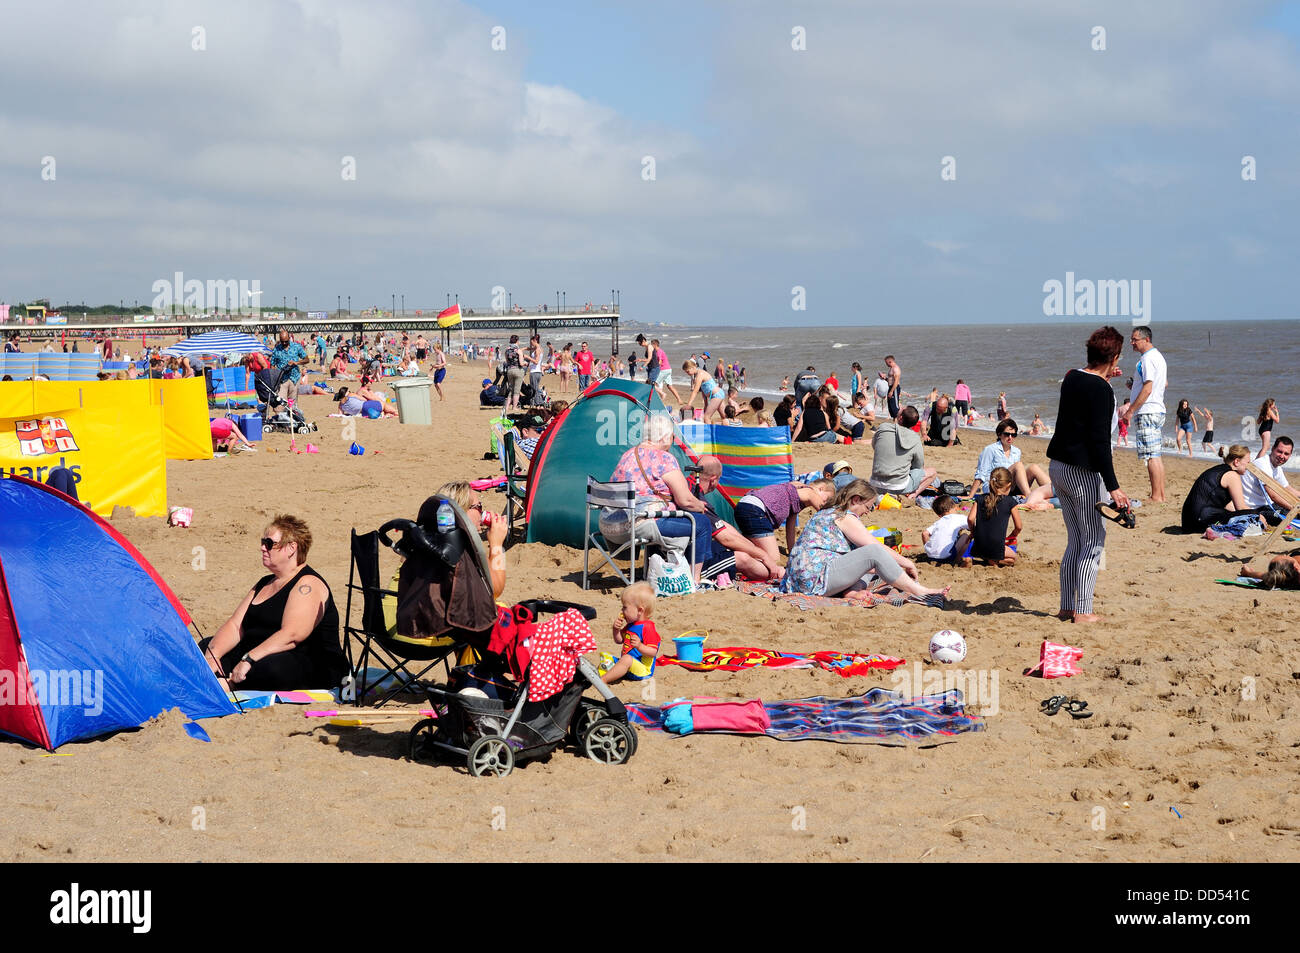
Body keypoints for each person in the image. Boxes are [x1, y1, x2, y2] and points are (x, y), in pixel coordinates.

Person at [200, 516, 348, 691]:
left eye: (270, 543)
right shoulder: (265, 582)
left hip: (306, 662)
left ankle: (230, 684)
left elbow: (292, 636)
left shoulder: (308, 584)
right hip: (261, 653)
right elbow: (235, 625)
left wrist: (248, 659)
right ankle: (221, 676)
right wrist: (212, 657)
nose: (263, 547)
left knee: (272, 668)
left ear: (291, 548)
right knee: (207, 646)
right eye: (263, 542)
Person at [1046, 326, 1131, 623]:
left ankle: (1067, 607)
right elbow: (1099, 443)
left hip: (1057, 467)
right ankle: (1083, 611)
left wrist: (1106, 374)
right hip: (1082, 472)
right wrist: (1114, 487)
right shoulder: (1102, 390)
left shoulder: (1071, 377)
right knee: (1093, 540)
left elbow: (1085, 400)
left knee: (1075, 539)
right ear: (1115, 357)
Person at [780, 479, 949, 603]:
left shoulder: (831, 512)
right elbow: (874, 547)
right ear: (855, 499)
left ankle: (851, 591)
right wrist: (907, 563)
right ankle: (919, 591)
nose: (868, 513)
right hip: (814, 578)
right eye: (868, 507)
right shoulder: (843, 516)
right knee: (874, 553)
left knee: (877, 566)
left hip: (805, 576)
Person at [733, 479, 836, 573]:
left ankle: (739, 560)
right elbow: (824, 511)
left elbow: (790, 529)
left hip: (744, 505)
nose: (825, 502)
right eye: (826, 499)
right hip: (756, 510)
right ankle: (741, 564)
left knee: (753, 549)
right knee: (774, 560)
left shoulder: (795, 493)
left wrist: (792, 552)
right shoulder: (809, 491)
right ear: (820, 489)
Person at [1119, 325, 1168, 502]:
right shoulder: (1158, 358)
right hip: (1156, 409)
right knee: (1155, 454)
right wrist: (1135, 387)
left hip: (1148, 411)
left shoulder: (1147, 359)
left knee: (1150, 455)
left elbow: (1148, 388)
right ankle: (1160, 494)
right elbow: (1163, 384)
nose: (1131, 342)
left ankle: (1156, 496)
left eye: (1134, 339)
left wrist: (1130, 411)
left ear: (1146, 339)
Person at [436, 480, 509, 598]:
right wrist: (496, 544)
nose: (482, 512)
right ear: (463, 509)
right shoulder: (463, 543)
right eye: (479, 507)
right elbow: (495, 589)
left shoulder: (426, 538)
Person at [1181, 445, 1270, 533]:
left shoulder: (1219, 469)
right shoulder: (1232, 475)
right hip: (1200, 522)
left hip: (1188, 523)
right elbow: (1241, 508)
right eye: (1248, 462)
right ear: (1237, 461)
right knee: (1253, 516)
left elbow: (1229, 506)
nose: (1249, 466)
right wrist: (1258, 515)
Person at [972, 418, 1053, 506]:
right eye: (1007, 434)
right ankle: (1029, 497)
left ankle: (1056, 492)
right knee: (1018, 465)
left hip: (1010, 488)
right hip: (994, 487)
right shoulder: (990, 449)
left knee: (1033, 468)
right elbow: (981, 474)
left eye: (1013, 435)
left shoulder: (1016, 451)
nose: (1010, 437)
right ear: (999, 434)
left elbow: (1017, 477)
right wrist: (970, 495)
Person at [869, 406, 937, 501]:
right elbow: (918, 466)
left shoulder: (883, 428)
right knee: (932, 472)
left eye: (901, 409)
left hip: (875, 483)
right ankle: (912, 495)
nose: (900, 407)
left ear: (900, 418)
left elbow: (875, 446)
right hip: (898, 487)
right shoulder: (915, 439)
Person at [600, 582, 661, 684]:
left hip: (643, 670)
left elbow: (653, 652)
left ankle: (603, 680)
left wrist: (639, 646)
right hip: (628, 666)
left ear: (640, 610)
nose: (622, 611)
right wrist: (616, 630)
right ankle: (600, 676)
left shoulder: (648, 627)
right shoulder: (631, 625)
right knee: (607, 658)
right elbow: (619, 641)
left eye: (625, 607)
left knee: (626, 659)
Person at [962, 466, 1021, 567]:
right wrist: (1013, 535)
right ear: (1009, 485)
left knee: (989, 552)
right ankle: (993, 561)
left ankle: (976, 560)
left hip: (978, 545)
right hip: (996, 546)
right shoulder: (1011, 502)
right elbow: (1019, 526)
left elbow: (970, 518)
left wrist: (973, 532)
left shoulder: (980, 498)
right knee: (1014, 559)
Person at [1242, 436, 1294, 523]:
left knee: (1292, 512)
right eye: (1279, 451)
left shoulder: (1276, 467)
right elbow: (1273, 496)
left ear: (1290, 455)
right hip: (1253, 508)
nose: (1282, 456)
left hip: (1265, 505)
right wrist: (1295, 508)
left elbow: (1287, 488)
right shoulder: (1263, 464)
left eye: (1286, 454)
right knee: (1291, 515)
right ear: (1273, 449)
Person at [922, 494, 970, 562]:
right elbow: (973, 525)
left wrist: (928, 549)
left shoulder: (939, 522)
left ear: (939, 515)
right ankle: (956, 561)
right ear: (955, 507)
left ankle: (931, 552)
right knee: (965, 536)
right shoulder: (959, 518)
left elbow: (924, 534)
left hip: (931, 557)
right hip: (947, 557)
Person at [271, 330, 309, 404]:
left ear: (289, 338)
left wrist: (296, 362)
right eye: (282, 341)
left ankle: (291, 415)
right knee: (280, 403)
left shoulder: (296, 347)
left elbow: (307, 359)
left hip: (294, 378)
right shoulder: (276, 349)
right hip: (282, 380)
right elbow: (272, 364)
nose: (284, 343)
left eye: (286, 341)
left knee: (292, 405)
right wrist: (274, 377)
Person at [503, 334, 526, 410]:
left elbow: (507, 362)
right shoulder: (518, 351)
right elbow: (521, 363)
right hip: (518, 370)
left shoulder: (507, 350)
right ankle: (514, 407)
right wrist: (526, 363)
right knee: (516, 390)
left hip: (510, 370)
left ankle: (506, 407)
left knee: (511, 389)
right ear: (517, 341)